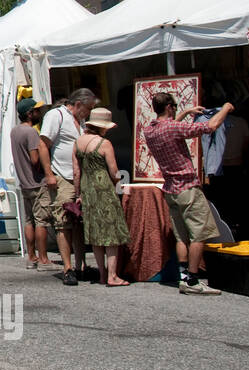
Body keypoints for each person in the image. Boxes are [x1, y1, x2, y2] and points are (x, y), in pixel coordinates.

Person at [143, 93, 234, 295]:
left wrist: (185, 112)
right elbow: (210, 126)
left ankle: (184, 277)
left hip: (171, 190)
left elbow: (169, 127)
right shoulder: (172, 128)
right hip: (187, 188)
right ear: (169, 107)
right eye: (174, 106)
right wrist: (227, 108)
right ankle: (192, 280)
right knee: (199, 235)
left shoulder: (150, 130)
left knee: (181, 237)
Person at [40, 88, 96, 285]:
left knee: (79, 221)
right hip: (63, 175)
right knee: (63, 221)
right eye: (89, 108)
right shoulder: (56, 115)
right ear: (78, 104)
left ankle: (80, 265)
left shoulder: (80, 121)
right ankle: (67, 268)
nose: (89, 112)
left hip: (80, 177)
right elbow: (43, 144)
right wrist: (49, 174)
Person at [73, 108, 130, 286]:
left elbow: (76, 172)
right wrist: (121, 185)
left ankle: (102, 275)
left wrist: (78, 194)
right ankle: (113, 276)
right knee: (111, 233)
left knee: (95, 234)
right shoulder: (104, 143)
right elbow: (114, 171)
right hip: (104, 189)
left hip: (87, 189)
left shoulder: (78, 142)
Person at [11, 99, 52, 269]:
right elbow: (35, 159)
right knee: (41, 220)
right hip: (36, 182)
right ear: (29, 113)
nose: (39, 113)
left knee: (29, 221)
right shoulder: (31, 132)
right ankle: (43, 259)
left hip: (24, 182)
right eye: (36, 110)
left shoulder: (14, 131)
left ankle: (31, 256)